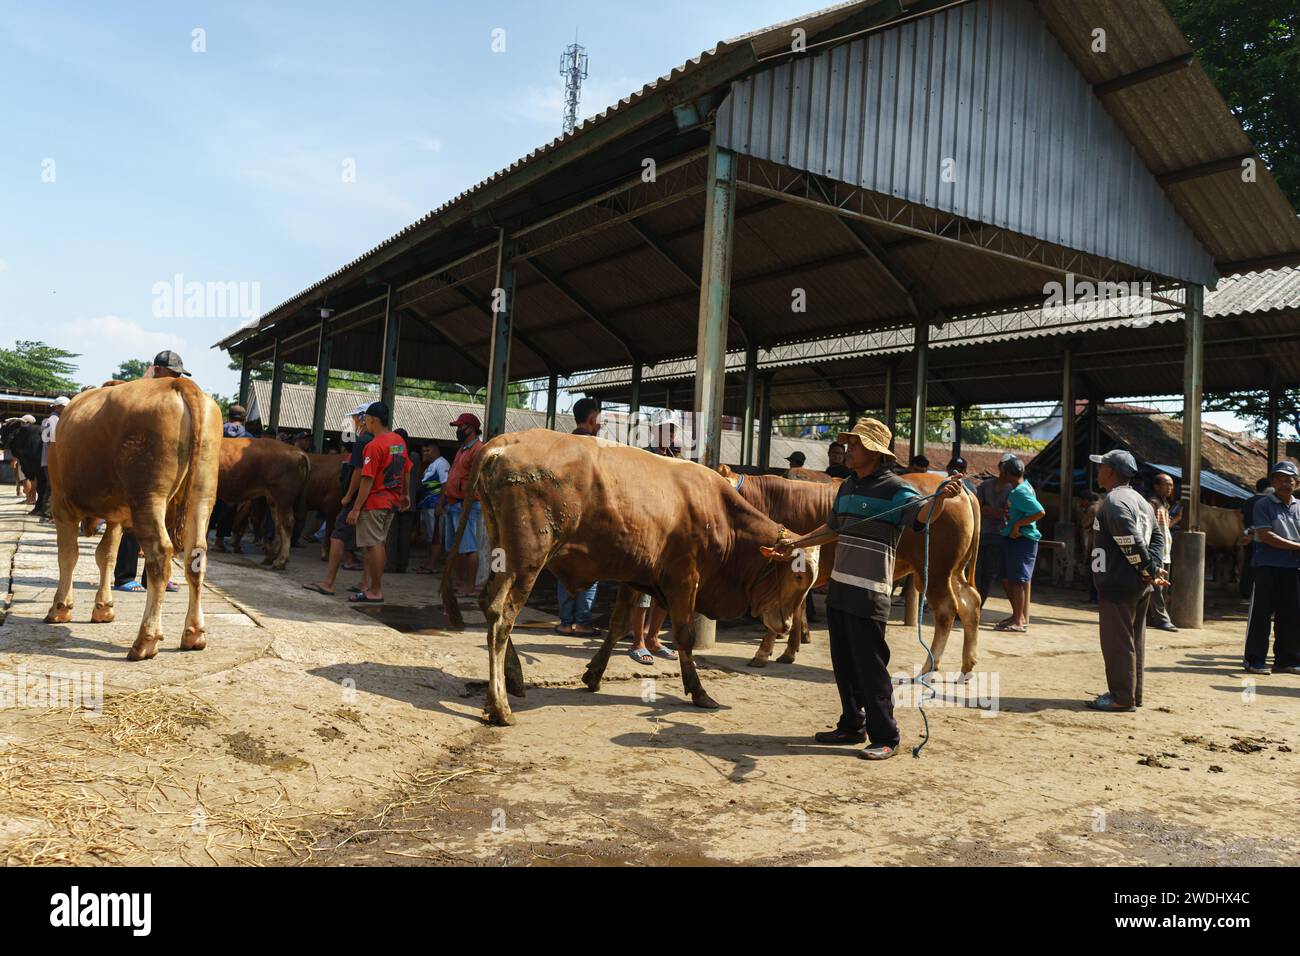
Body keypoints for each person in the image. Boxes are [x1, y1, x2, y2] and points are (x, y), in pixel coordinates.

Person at [770, 417, 964, 760]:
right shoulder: (848, 487)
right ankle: (851, 724)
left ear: (874, 452)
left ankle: (886, 735)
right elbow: (832, 528)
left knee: (870, 667)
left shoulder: (894, 488)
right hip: (841, 587)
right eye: (850, 443)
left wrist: (941, 498)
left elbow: (921, 515)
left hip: (870, 591)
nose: (848, 449)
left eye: (856, 444)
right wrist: (797, 543)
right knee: (843, 663)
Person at [1088, 449, 1167, 711]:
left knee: (1117, 643)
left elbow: (1130, 541)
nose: (1098, 471)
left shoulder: (1114, 502)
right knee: (1134, 640)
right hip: (1137, 583)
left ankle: (1121, 698)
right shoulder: (1141, 501)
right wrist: (1152, 571)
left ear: (1110, 471)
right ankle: (1134, 693)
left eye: (1101, 467)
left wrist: (1147, 571)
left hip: (1118, 582)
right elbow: (1157, 537)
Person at [115, 352, 190, 592]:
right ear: (157, 370)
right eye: (172, 374)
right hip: (139, 467)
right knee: (133, 522)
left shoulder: (176, 399)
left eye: (179, 375)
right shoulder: (140, 394)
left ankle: (156, 577)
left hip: (167, 468)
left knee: (165, 522)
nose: (176, 379)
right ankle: (125, 577)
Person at [628, 410, 681, 664]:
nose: (668, 434)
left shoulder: (678, 460)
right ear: (653, 432)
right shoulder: (642, 458)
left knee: (666, 592)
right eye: (663, 429)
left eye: (671, 430)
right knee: (642, 591)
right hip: (647, 531)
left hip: (671, 533)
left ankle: (653, 638)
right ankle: (638, 641)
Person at [344, 403, 410, 605]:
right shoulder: (398, 442)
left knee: (373, 546)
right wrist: (405, 494)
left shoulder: (373, 446)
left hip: (374, 502)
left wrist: (355, 507)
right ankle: (374, 587)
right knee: (378, 543)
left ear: (372, 419)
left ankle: (375, 590)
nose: (365, 423)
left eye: (366, 419)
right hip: (391, 501)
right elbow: (406, 468)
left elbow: (367, 478)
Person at [304, 404, 373, 596]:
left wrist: (350, 497)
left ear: (363, 418)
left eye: (354, 418)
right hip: (372, 499)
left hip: (357, 499)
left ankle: (328, 583)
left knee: (337, 536)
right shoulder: (379, 441)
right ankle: (366, 584)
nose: (352, 422)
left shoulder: (362, 442)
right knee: (371, 542)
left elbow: (360, 472)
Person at [1243, 461, 1300, 676]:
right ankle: (1254, 660)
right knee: (1261, 614)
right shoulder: (1263, 505)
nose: (1284, 483)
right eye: (1279, 479)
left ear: (1297, 482)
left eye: (1289, 479)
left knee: (1292, 615)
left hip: (1294, 568)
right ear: (1273, 481)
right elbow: (1266, 536)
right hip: (1267, 566)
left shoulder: (1299, 506)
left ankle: (1286, 660)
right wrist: (1297, 546)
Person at [556, 399, 602, 637]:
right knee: (589, 570)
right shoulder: (594, 445)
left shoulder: (565, 443)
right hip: (588, 514)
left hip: (565, 512)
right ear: (593, 418)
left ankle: (565, 622)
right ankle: (582, 622)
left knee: (566, 568)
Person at [994, 455, 1045, 632]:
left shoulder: (1020, 491)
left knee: (1017, 580)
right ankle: (1018, 615)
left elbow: (1040, 512)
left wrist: (1018, 525)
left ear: (1007, 473)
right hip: (1013, 538)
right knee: (1007, 578)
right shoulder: (1023, 487)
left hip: (1022, 539)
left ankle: (1018, 621)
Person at [443, 413, 485, 598]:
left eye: (461, 427)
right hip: (454, 502)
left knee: (468, 547)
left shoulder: (478, 449)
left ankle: (470, 586)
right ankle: (460, 582)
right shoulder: (463, 449)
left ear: (471, 428)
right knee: (456, 547)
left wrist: (466, 502)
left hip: (465, 505)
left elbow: (479, 480)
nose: (458, 430)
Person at [974, 456, 1015, 606]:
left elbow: (1007, 513)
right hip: (982, 533)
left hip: (999, 535)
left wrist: (991, 511)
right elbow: (978, 508)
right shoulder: (986, 485)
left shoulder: (1013, 489)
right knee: (975, 572)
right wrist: (997, 512)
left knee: (989, 574)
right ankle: (972, 603)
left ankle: (979, 605)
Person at [1146, 472, 1179, 632]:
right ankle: (1162, 619)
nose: (1170, 488)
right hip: (1156, 552)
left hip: (1165, 551)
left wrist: (1177, 519)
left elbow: (1165, 528)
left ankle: (1153, 618)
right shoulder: (1152, 504)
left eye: (1171, 485)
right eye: (1167, 484)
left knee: (1163, 587)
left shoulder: (1164, 505)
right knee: (1158, 588)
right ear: (1156, 486)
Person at [388, 429, 420, 574]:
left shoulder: (396, 453)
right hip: (410, 502)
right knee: (404, 536)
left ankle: (391, 564)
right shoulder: (415, 456)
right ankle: (402, 565)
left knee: (392, 534)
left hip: (396, 500)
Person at [416, 443, 450, 574]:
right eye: (424, 451)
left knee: (436, 536)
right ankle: (427, 563)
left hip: (434, 505)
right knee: (429, 536)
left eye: (428, 450)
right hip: (426, 505)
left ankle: (433, 565)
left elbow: (445, 484)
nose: (426, 453)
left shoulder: (441, 463)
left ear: (436, 450)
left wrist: (440, 505)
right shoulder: (430, 465)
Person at [36, 396, 70, 518]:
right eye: (65, 407)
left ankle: (46, 512)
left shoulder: (53, 419)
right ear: (59, 407)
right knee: (53, 487)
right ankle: (48, 513)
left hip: (50, 459)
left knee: (51, 486)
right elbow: (51, 440)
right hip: (52, 459)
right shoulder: (53, 420)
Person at [1239, 476, 1271, 601]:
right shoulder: (1268, 502)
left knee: (1248, 564)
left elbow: (1241, 518)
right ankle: (1260, 592)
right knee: (1263, 566)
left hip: (1247, 535)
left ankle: (1245, 591)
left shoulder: (1248, 501)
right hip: (1262, 537)